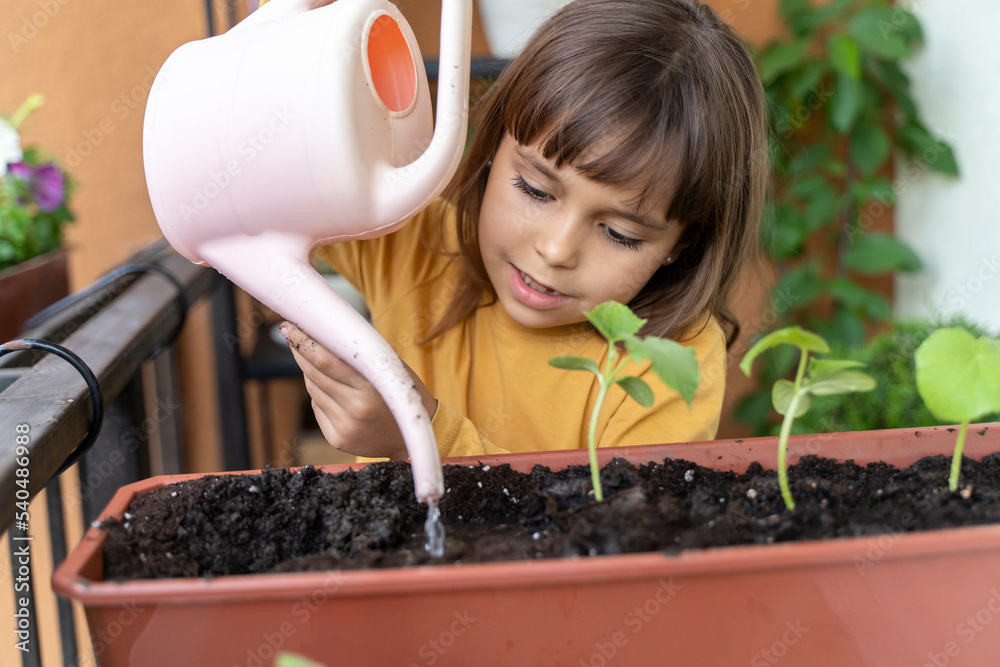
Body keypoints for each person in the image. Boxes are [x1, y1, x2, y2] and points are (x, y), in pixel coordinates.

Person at [281, 0, 768, 461]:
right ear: (493, 148)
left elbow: (607, 532)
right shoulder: (413, 244)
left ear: (682, 245)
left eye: (619, 234)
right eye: (535, 190)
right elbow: (278, 106)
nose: (556, 250)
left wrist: (423, 436)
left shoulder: (672, 356)